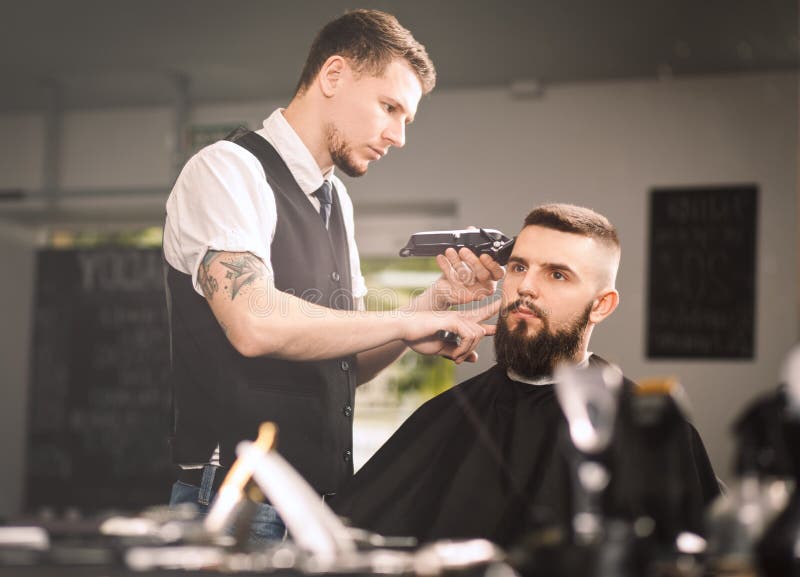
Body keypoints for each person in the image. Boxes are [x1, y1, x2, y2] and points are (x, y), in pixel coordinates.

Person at [162, 9, 503, 541]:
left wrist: (429, 306)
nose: (399, 136)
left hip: (316, 502)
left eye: (407, 119)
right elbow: (254, 323)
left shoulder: (335, 199)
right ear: (334, 75)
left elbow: (346, 366)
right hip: (235, 499)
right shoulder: (227, 169)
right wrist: (404, 324)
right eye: (389, 107)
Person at [330, 203, 721, 548]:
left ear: (601, 305)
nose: (526, 287)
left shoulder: (649, 432)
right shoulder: (446, 416)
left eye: (557, 275)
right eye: (518, 267)